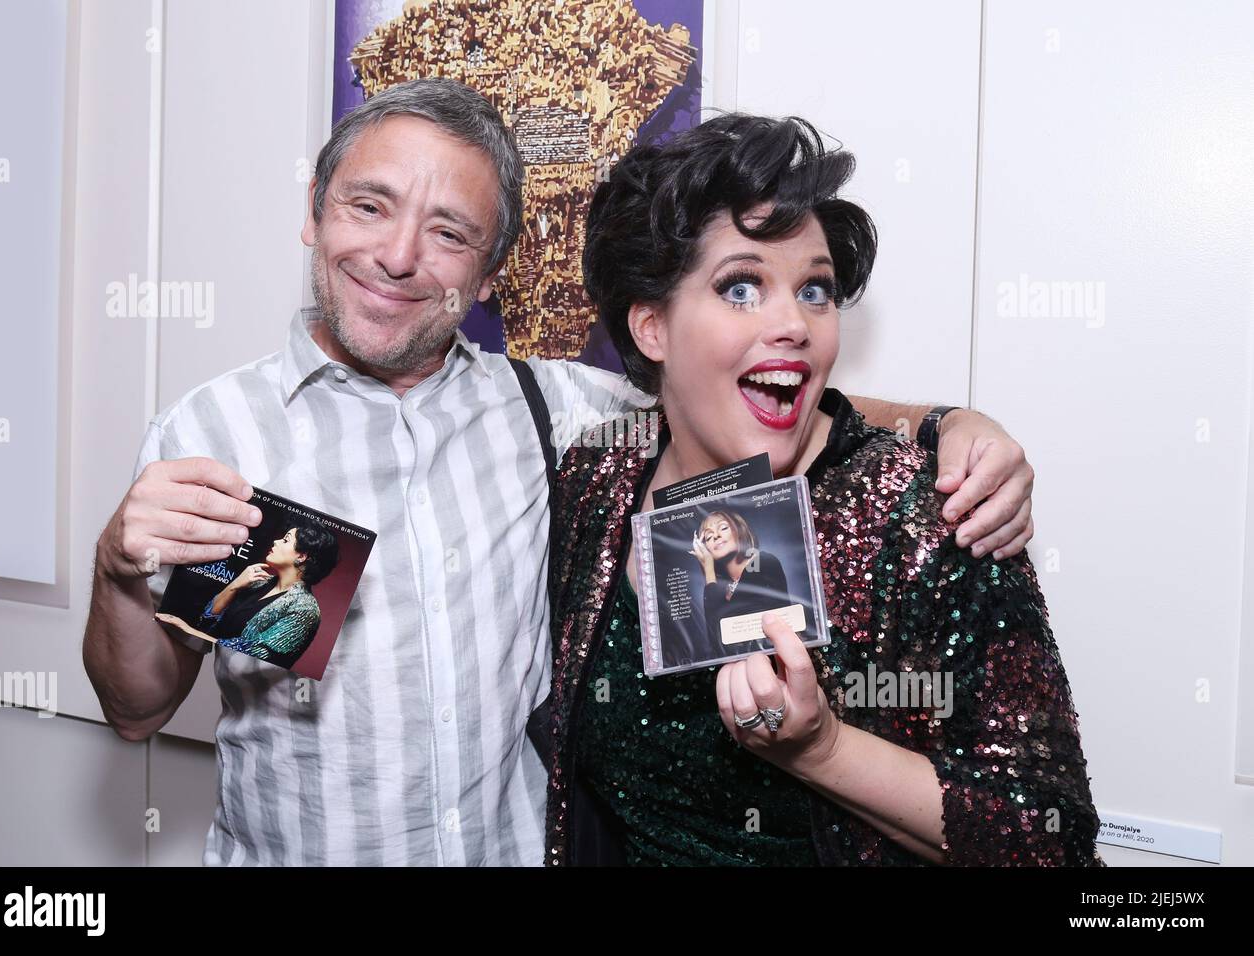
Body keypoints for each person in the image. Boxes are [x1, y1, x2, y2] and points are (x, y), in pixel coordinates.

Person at [82, 78, 1040, 866]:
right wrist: (120, 573)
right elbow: (139, 710)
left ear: (490, 273)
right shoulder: (218, 437)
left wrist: (952, 422)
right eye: (369, 206)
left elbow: (734, 384)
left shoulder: (555, 417)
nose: (399, 255)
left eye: (450, 233)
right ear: (315, 214)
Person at [540, 112, 1103, 866]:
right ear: (651, 328)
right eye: (741, 288)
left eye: (815, 290)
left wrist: (820, 748)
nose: (794, 324)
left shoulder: (928, 515)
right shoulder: (598, 479)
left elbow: (1047, 837)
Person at [154, 522, 339, 669]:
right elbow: (206, 624)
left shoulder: (305, 609)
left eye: (285, 540)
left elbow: (256, 652)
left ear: (302, 556)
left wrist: (187, 629)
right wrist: (235, 585)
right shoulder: (259, 582)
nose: (276, 542)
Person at [689, 510, 792, 661]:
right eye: (709, 537)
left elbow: (732, 637)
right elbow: (717, 644)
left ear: (740, 530)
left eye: (723, 528)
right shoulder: (722, 588)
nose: (716, 536)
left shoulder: (760, 561)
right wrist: (708, 569)